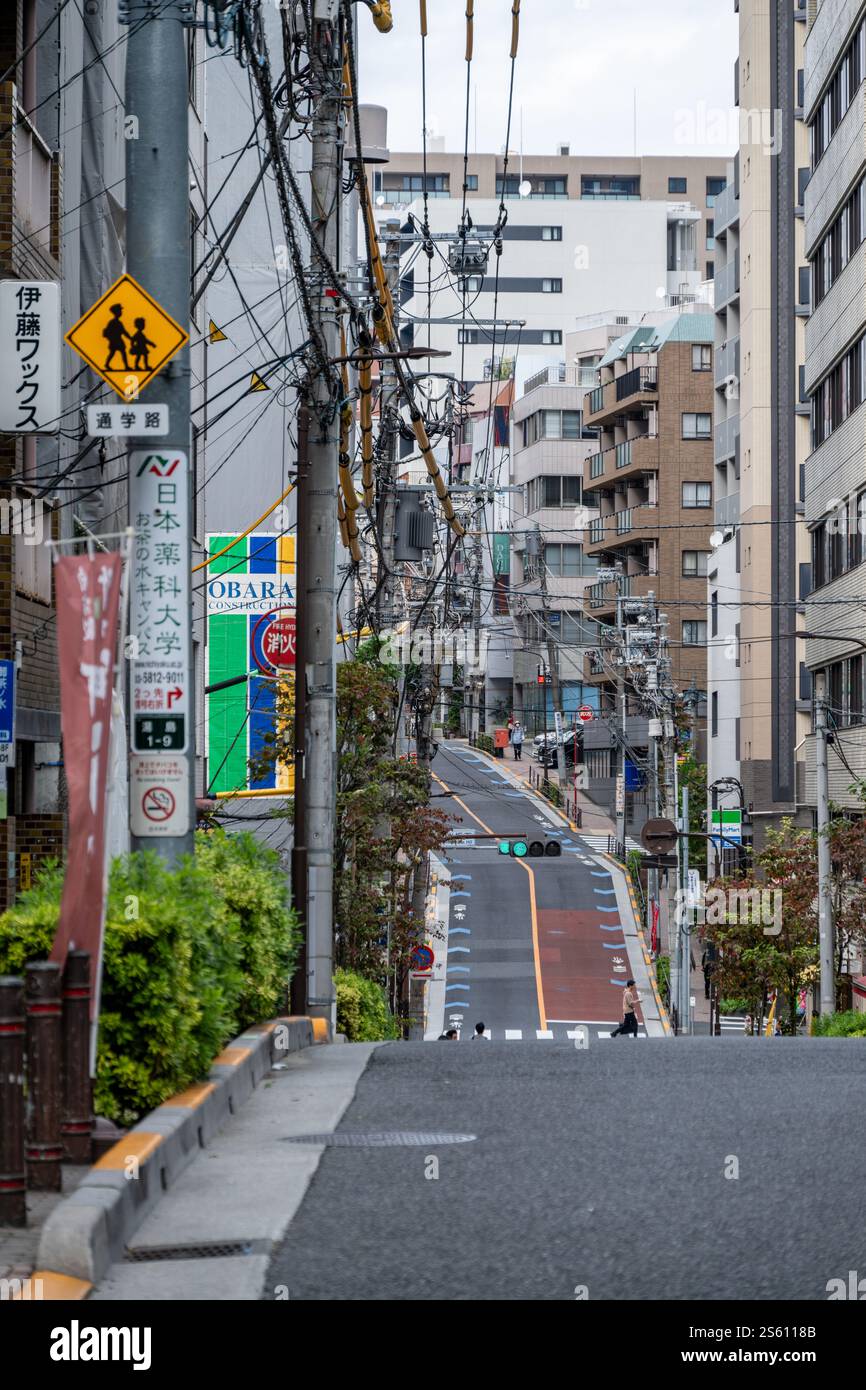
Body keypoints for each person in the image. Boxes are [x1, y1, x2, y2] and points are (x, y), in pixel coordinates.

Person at [102, 303, 132, 370]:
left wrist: (130, 338)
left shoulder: (118, 322)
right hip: (115, 340)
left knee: (121, 352)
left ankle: (126, 366)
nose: (121, 312)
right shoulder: (113, 322)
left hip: (118, 340)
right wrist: (130, 338)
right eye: (119, 311)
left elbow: (124, 332)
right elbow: (123, 332)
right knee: (115, 353)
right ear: (116, 312)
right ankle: (107, 364)